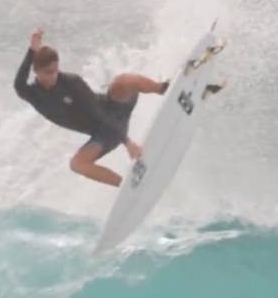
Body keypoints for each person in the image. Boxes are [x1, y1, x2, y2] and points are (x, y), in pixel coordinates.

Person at [13, 27, 169, 187]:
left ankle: (164, 88)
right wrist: (32, 50)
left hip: (114, 110)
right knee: (77, 164)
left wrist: (127, 142)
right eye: (48, 72)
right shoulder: (31, 94)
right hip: (104, 133)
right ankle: (127, 186)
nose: (53, 75)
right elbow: (18, 83)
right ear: (36, 71)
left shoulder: (71, 82)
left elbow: (97, 111)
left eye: (55, 70)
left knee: (122, 81)